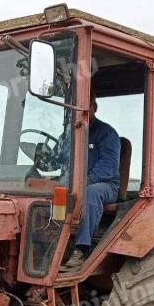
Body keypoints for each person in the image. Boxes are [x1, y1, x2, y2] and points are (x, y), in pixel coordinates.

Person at [62, 93, 120, 271]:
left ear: (94, 108)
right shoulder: (69, 133)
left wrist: (85, 181)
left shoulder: (106, 133)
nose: (80, 112)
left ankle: (81, 248)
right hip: (75, 184)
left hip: (106, 185)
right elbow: (59, 159)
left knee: (92, 193)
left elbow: (108, 166)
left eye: (85, 108)